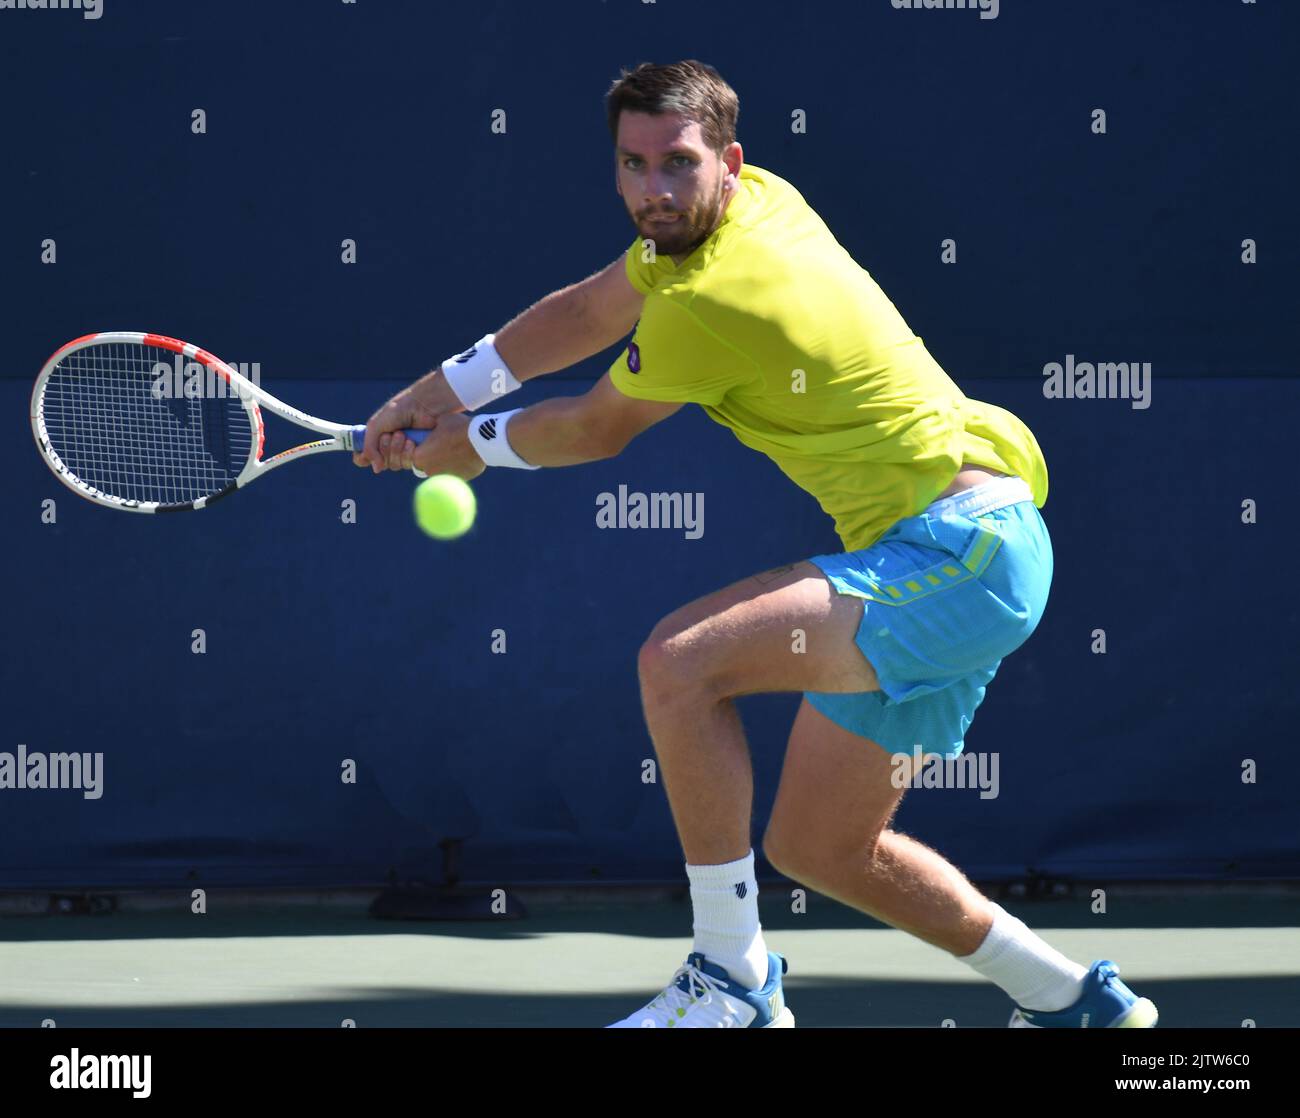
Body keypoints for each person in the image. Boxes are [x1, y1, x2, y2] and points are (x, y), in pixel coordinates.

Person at [354, 59, 1158, 1030]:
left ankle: (731, 979)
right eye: (633, 163)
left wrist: (467, 448)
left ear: (726, 162)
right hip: (965, 558)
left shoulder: (714, 295)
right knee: (821, 848)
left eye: (678, 163)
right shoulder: (756, 205)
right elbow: (585, 310)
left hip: (958, 554)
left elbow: (596, 427)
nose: (653, 188)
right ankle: (1073, 999)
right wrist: (430, 398)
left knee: (678, 663)